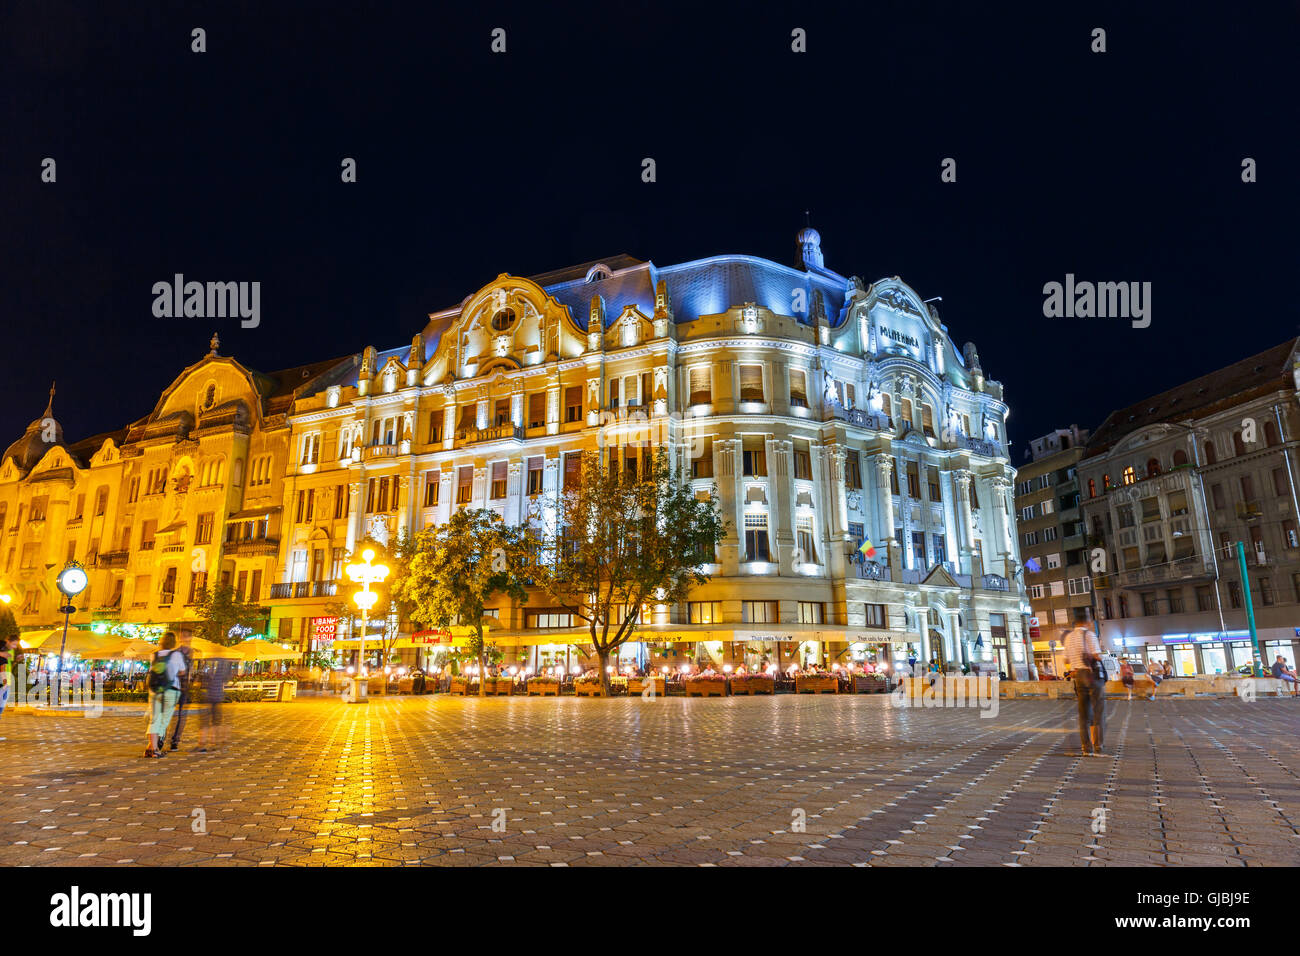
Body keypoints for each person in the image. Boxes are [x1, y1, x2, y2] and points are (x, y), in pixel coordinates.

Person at [1062, 608, 1105, 756]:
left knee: (1083, 713)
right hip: (1091, 674)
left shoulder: (1068, 637)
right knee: (1098, 710)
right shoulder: (1089, 635)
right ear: (1087, 621)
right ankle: (1097, 745)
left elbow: (1066, 659)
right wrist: (1100, 654)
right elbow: (1096, 655)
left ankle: (1086, 748)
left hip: (1078, 675)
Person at [145, 632, 186, 758]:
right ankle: (154, 749)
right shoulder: (177, 654)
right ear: (174, 643)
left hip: (155, 691)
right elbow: (182, 671)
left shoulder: (154, 654)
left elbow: (152, 671)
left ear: (161, 642)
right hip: (171, 690)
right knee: (163, 721)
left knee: (154, 719)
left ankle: (151, 747)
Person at [166, 629, 196, 751]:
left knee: (181, 716)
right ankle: (165, 738)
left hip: (184, 688)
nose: (185, 638)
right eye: (183, 636)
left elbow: (190, 670)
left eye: (187, 636)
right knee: (169, 714)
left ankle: (175, 741)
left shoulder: (191, 652)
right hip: (174, 686)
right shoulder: (175, 652)